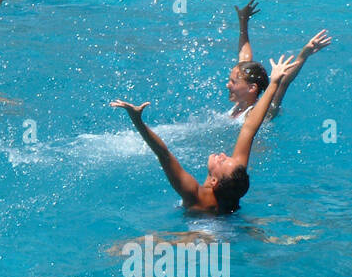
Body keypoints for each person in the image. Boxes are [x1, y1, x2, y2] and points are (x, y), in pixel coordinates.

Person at [113, 53, 298, 214]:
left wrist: (138, 121)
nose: (224, 155)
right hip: (234, 222)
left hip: (204, 233)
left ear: (215, 180)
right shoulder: (234, 175)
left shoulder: (196, 196)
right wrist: (273, 83)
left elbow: (164, 155)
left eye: (223, 161)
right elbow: (249, 129)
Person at [228, 0, 331, 120]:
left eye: (233, 82)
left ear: (251, 88)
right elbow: (244, 57)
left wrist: (304, 55)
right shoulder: (241, 103)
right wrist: (243, 22)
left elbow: (283, 83)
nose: (228, 85)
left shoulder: (260, 112)